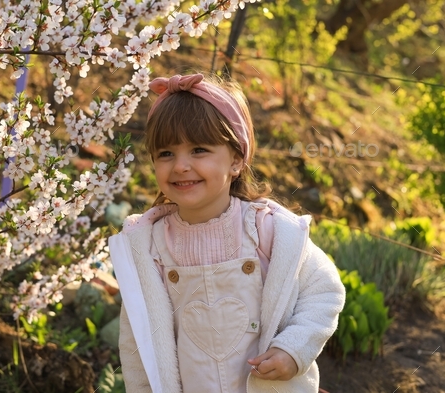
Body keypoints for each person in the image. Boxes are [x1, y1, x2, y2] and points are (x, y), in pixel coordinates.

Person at [108, 73, 345, 393]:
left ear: (236, 160)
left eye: (199, 150)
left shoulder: (267, 231)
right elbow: (139, 339)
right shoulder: (151, 246)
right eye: (166, 154)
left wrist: (293, 349)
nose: (180, 165)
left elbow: (323, 290)